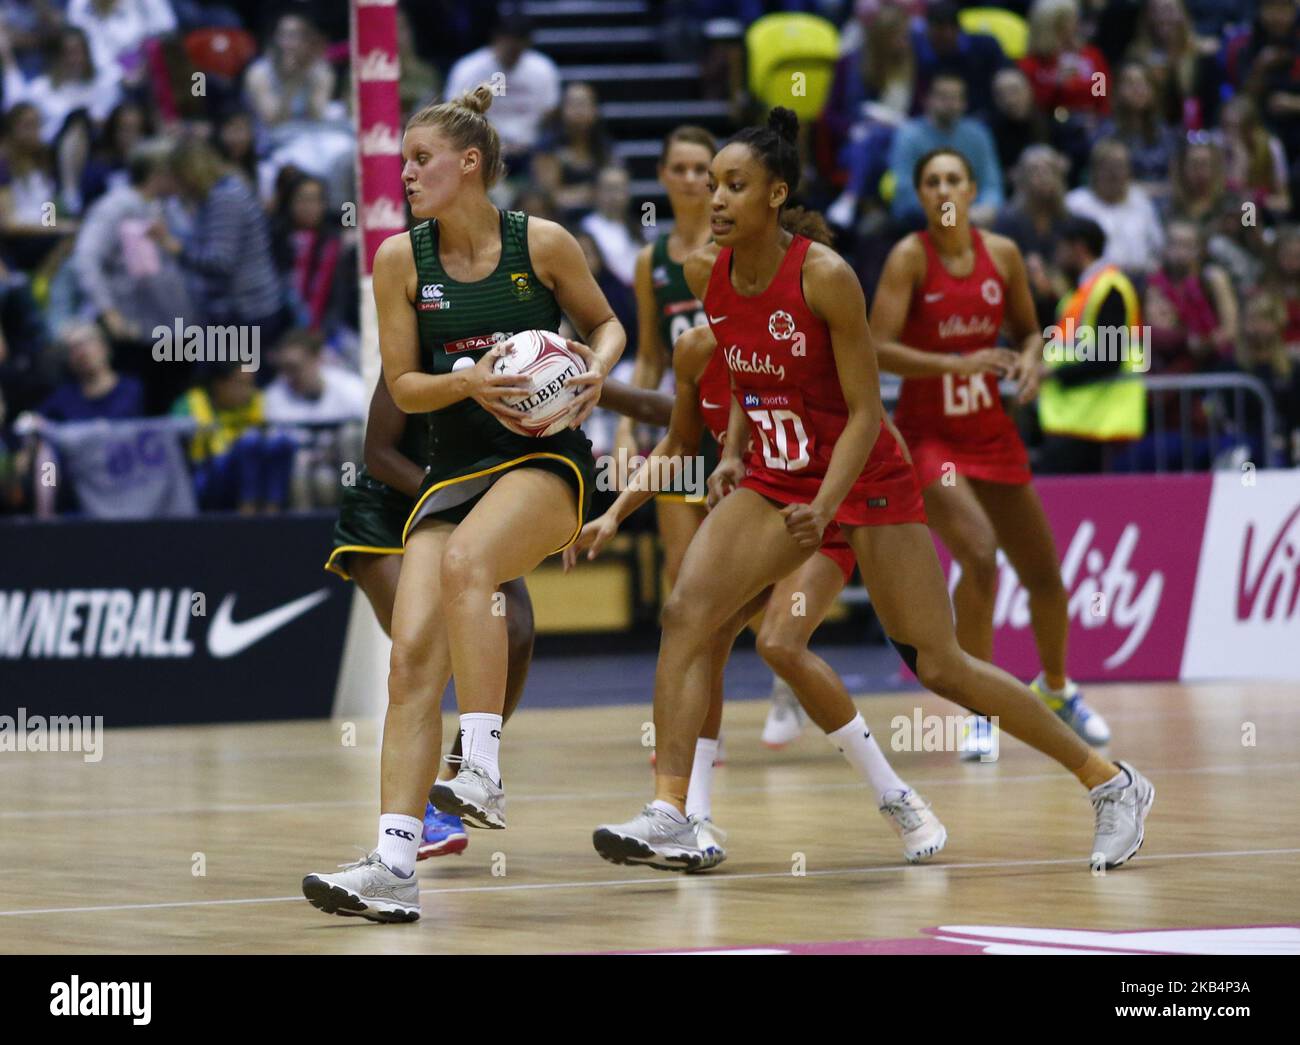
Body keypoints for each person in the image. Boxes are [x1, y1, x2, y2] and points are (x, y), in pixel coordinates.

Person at [590, 108, 1152, 874]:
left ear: (775, 193)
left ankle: (1110, 782)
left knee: (942, 662)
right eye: (712, 184)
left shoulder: (825, 275)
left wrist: (826, 507)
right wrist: (730, 451)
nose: (716, 200)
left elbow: (866, 411)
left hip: (867, 478)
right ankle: (673, 812)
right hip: (777, 477)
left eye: (734, 185)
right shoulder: (707, 275)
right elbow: (749, 379)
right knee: (688, 613)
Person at [302, 85, 623, 922]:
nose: (405, 174)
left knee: (474, 562)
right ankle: (394, 861)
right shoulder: (399, 260)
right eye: (403, 160)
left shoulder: (543, 242)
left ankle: (479, 760)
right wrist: (465, 382)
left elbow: (608, 323)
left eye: (421, 160)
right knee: (410, 661)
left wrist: (596, 371)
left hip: (547, 459)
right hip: (453, 468)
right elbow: (404, 387)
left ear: (470, 163)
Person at [571, 317, 949, 867]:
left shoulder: (801, 344)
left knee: (779, 642)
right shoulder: (699, 350)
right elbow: (677, 440)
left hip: (822, 514)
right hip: (757, 512)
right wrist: (613, 515)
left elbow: (866, 420)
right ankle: (689, 817)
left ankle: (896, 797)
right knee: (700, 633)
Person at [872, 147, 1111, 763]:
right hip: (930, 438)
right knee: (978, 556)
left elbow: (1031, 331)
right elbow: (875, 347)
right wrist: (954, 362)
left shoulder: (1000, 255)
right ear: (920, 195)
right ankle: (981, 710)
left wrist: (1031, 361)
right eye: (931, 180)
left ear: (974, 190)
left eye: (954, 178)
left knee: (1045, 575)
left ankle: (1056, 689)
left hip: (991, 431)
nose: (943, 188)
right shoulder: (908, 258)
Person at [1037, 215, 1147, 473]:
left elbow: (1110, 357)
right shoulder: (1078, 294)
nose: (1056, 256)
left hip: (1099, 423)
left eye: (1060, 248)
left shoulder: (1110, 289)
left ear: (1079, 248)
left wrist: (1053, 373)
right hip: (1077, 421)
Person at [888, 74, 1003, 228]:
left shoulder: (978, 134)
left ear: (964, 103)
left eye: (956, 98)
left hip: (972, 216)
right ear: (927, 100)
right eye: (943, 97)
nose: (950, 103)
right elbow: (905, 190)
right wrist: (951, 213)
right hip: (921, 217)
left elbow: (992, 184)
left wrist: (987, 207)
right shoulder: (909, 135)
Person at [1064, 139, 1164, 276]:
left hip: (1139, 280)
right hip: (1092, 284)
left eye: (1119, 166)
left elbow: (1157, 249)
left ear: (1129, 171)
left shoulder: (1141, 201)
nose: (1114, 173)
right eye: (1107, 166)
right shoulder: (1076, 203)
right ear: (1094, 170)